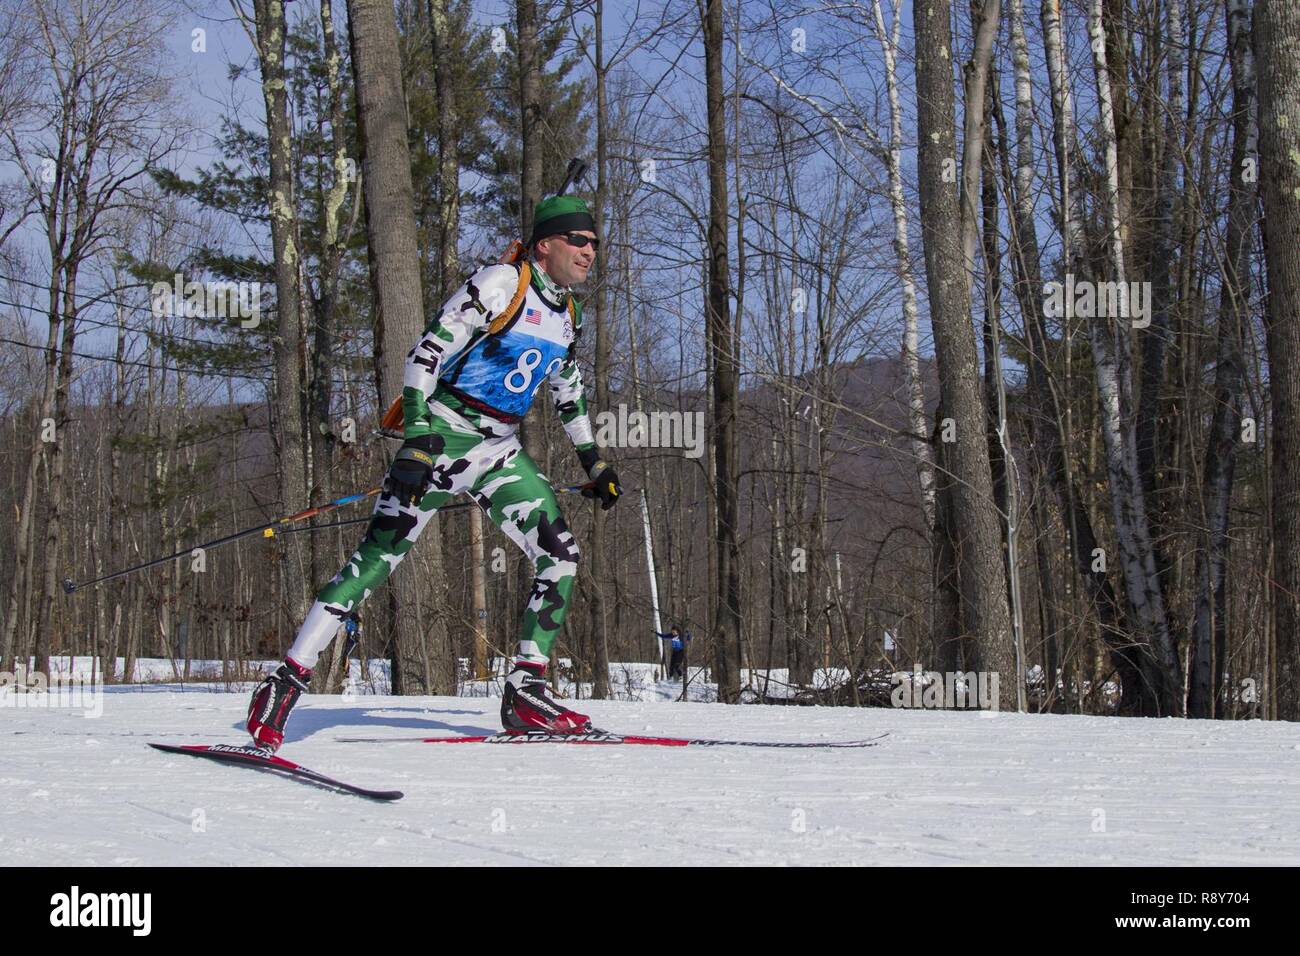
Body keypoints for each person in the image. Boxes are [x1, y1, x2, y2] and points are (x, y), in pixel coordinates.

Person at [246, 195, 622, 752]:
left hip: (499, 449)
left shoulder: (569, 312)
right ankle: (284, 682)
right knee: (377, 559)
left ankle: (526, 692)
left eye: (595, 243)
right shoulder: (501, 284)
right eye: (580, 241)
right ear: (546, 244)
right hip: (443, 433)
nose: (591, 251)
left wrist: (593, 460)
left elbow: (567, 389)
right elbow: (424, 355)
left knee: (560, 553)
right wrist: (419, 436)